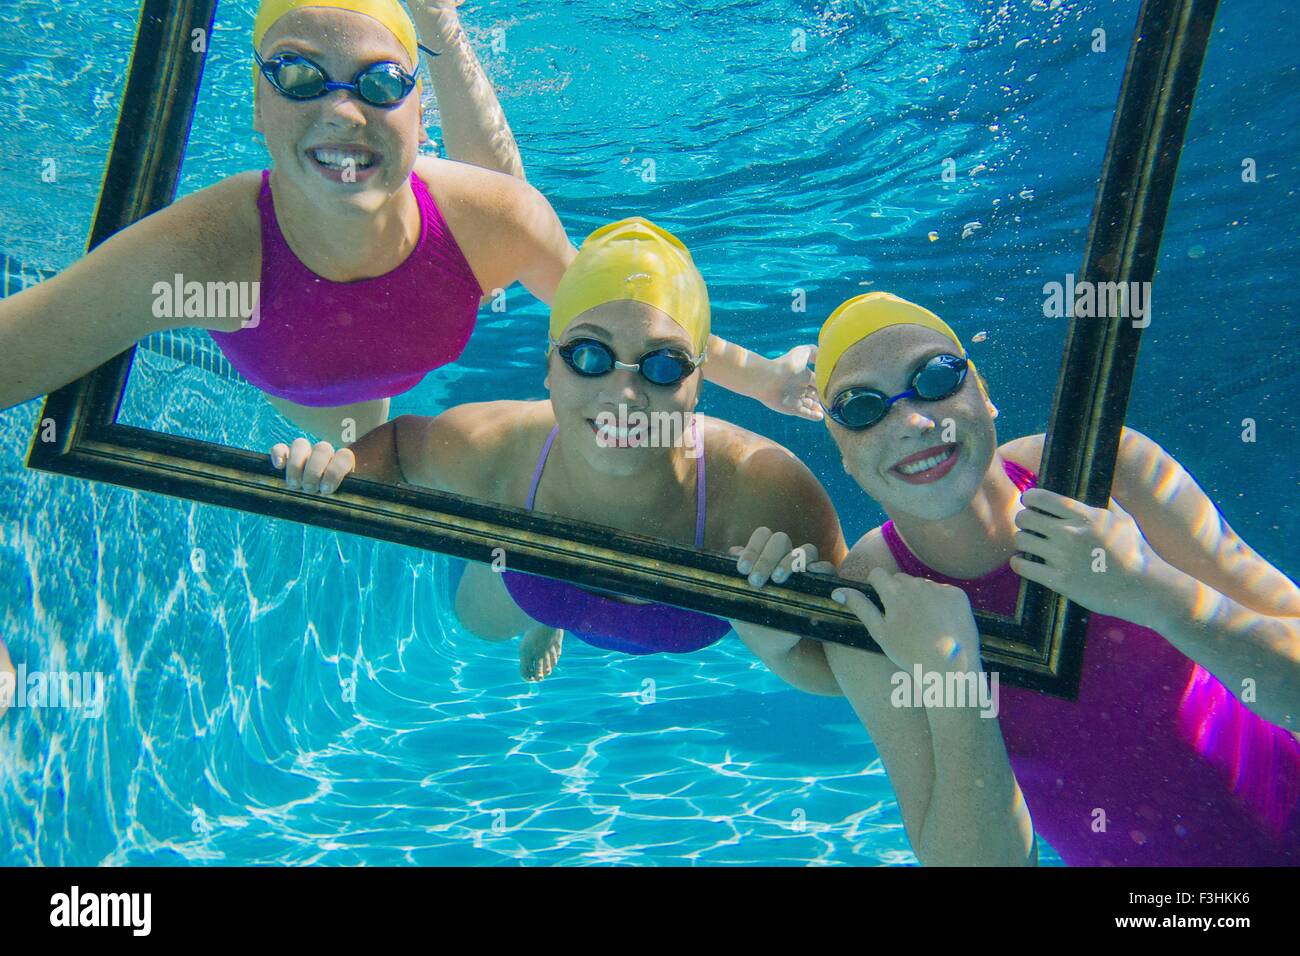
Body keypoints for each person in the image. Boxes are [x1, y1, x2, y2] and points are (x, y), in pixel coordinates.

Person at [0, 0, 821, 447]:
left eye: (382, 83)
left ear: (418, 112)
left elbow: (623, 320)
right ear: (255, 103)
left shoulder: (492, 221)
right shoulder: (199, 256)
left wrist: (772, 381)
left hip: (454, 244)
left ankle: (438, 28)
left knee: (503, 204)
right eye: (297, 75)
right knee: (361, 442)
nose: (340, 110)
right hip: (323, 393)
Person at [742, 291, 1300, 865]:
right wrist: (952, 680)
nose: (912, 421)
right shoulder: (875, 599)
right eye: (862, 407)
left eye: (936, 378)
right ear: (845, 455)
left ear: (983, 394)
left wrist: (1151, 591)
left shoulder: (1104, 473)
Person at [271, 217, 846, 680]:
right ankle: (542, 616)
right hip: (534, 589)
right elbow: (396, 447)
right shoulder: (502, 446)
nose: (624, 395)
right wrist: (339, 467)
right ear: (549, 368)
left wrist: (784, 643)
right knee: (474, 622)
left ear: (699, 384)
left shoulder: (767, 488)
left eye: (664, 364)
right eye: (589, 356)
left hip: (663, 611)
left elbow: (842, 664)